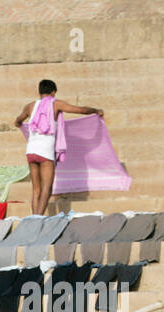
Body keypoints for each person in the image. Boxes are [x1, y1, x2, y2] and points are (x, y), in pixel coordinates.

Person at [14, 79, 104, 216]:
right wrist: (96, 111)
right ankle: (37, 218)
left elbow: (18, 120)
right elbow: (79, 110)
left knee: (36, 189)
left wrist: (20, 123)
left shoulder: (30, 106)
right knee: (47, 188)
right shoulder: (56, 104)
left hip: (31, 151)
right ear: (53, 92)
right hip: (45, 151)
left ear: (39, 92)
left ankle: (34, 217)